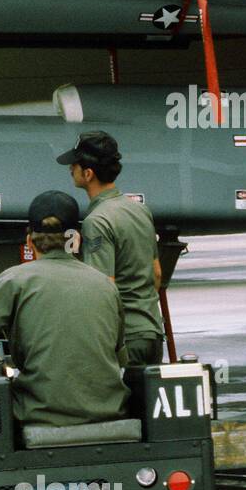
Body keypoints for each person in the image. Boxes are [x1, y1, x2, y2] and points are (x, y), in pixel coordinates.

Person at [0, 191, 128, 427]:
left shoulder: (13, 280)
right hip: (109, 413)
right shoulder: (106, 286)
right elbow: (119, 358)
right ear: (76, 239)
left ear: (29, 241)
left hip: (39, 416)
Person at [58, 131, 166, 367]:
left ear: (88, 173)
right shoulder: (140, 210)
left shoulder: (97, 221)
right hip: (151, 333)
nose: (70, 170)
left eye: (74, 165)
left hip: (124, 340)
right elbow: (156, 274)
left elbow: (103, 289)